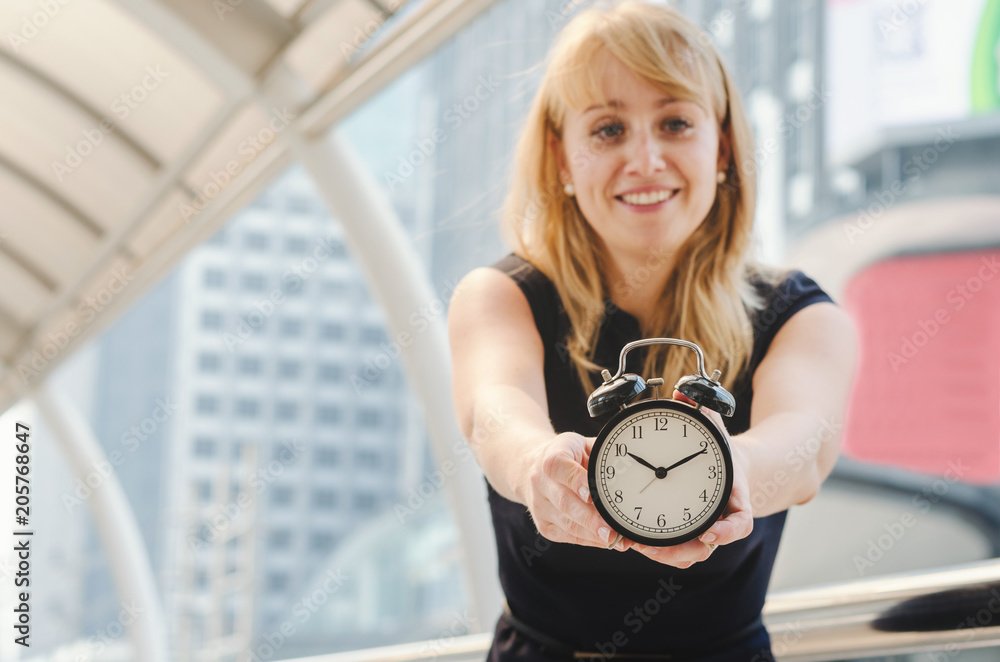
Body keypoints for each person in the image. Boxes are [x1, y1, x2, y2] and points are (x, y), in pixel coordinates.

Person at [447, 2, 857, 660]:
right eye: (608, 129)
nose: (645, 158)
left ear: (721, 144)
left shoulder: (801, 317)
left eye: (674, 122)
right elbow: (494, 417)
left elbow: (804, 450)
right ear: (561, 157)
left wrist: (731, 471)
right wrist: (537, 467)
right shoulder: (500, 297)